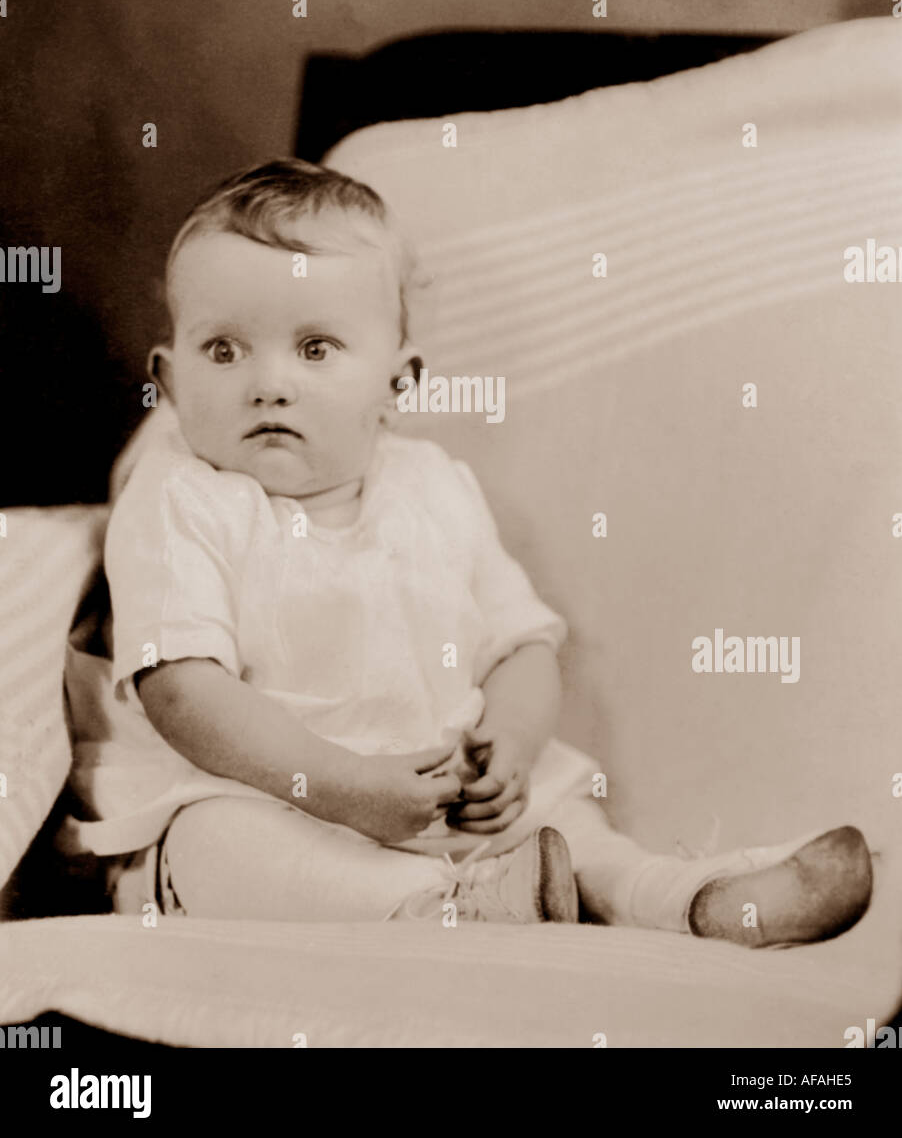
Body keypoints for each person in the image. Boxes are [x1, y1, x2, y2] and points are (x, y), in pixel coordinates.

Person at [62, 160, 873, 942]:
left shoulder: (433, 487)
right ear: (167, 382)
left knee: (562, 811)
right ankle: (442, 909)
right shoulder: (179, 499)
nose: (269, 383)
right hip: (258, 794)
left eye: (315, 349)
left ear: (397, 381)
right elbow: (182, 691)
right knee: (224, 846)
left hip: (439, 801)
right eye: (224, 350)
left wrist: (510, 750)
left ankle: (687, 896)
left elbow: (520, 645)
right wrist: (339, 788)